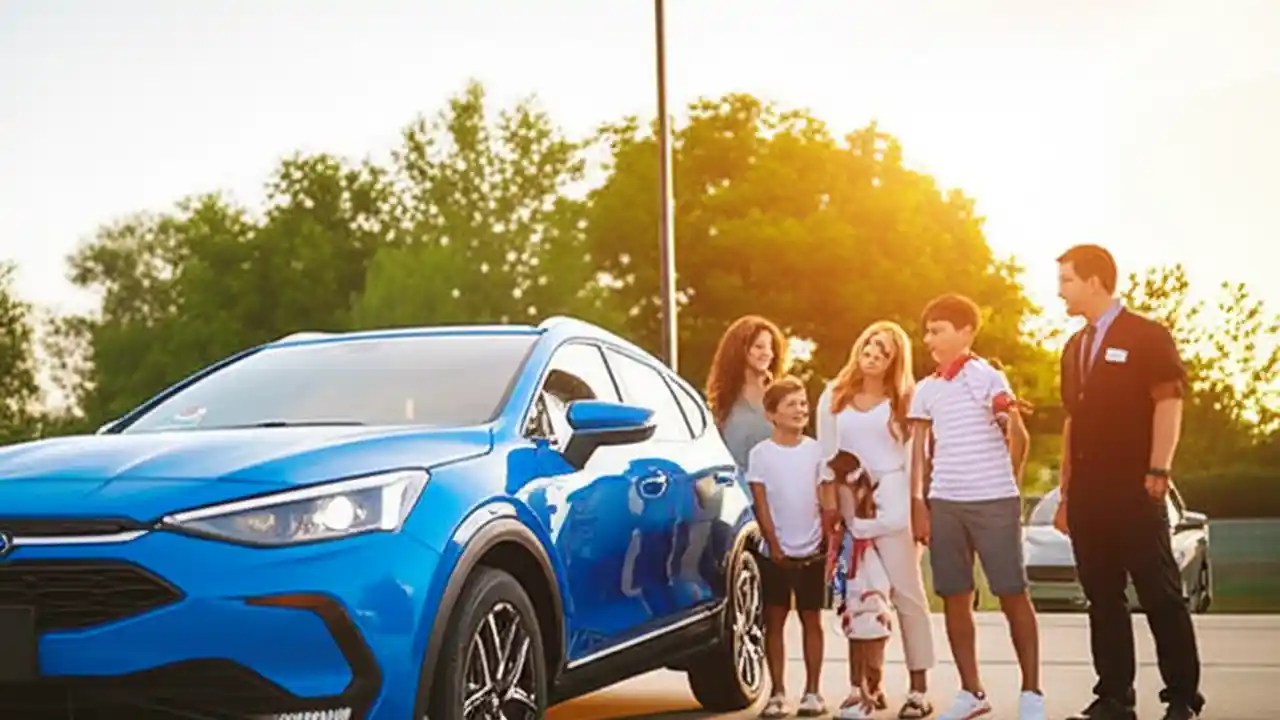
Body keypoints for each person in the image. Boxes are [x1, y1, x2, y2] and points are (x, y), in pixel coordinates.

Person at [1055, 245, 1204, 720]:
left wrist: (1159, 468)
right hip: (1088, 497)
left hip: (1136, 489)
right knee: (1102, 599)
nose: (1060, 291)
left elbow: (1169, 402)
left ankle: (1182, 696)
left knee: (1160, 594)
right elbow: (1072, 423)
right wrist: (1065, 493)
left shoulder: (1146, 336)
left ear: (1095, 281)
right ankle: (1114, 697)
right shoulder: (1074, 348)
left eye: (1067, 281)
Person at [908, 293, 1044, 720]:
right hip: (945, 501)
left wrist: (1011, 427)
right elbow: (919, 453)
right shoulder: (926, 389)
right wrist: (919, 503)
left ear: (966, 332)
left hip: (994, 501)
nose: (929, 338)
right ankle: (971, 692)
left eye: (938, 329)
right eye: (927, 330)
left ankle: (1032, 693)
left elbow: (1014, 433)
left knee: (1011, 593)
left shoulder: (988, 378)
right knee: (954, 595)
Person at [816, 320, 936, 719]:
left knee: (907, 595)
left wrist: (917, 506)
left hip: (894, 501)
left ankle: (919, 688)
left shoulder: (905, 399)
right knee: (860, 596)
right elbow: (825, 458)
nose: (874, 354)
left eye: (884, 350)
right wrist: (831, 506)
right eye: (870, 344)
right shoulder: (835, 394)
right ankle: (864, 687)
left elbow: (916, 459)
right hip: (852, 502)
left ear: (894, 360)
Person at [746, 375, 828, 718]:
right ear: (771, 414)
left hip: (813, 549)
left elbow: (824, 497)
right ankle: (778, 693)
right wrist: (774, 543)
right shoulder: (760, 454)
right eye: (791, 404)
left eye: (803, 403)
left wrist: (825, 537)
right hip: (774, 552)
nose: (800, 410)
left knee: (812, 618)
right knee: (775, 619)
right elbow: (761, 503)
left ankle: (813, 692)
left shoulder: (816, 451)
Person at [825, 450, 895, 720]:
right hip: (849, 560)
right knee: (854, 625)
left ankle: (871, 685)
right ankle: (859, 686)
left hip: (867, 561)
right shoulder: (846, 524)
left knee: (873, 622)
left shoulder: (867, 507)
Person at [707, 314, 790, 470]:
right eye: (759, 347)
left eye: (770, 347)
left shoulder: (782, 399)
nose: (767, 353)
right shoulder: (721, 404)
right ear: (740, 350)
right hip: (736, 489)